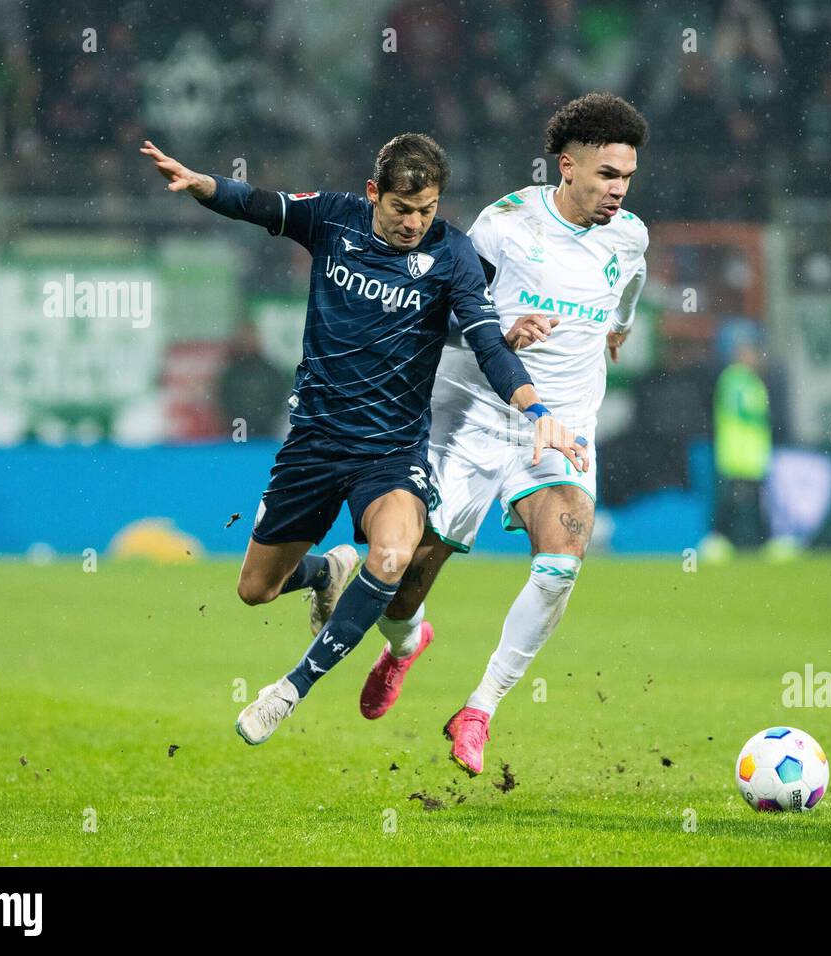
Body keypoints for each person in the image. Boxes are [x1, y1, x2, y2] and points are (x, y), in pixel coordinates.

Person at [140, 134, 584, 746]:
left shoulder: (452, 255)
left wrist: (535, 408)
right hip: (314, 444)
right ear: (375, 194)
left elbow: (484, 340)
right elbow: (259, 203)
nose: (414, 223)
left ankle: (288, 690)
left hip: (392, 452)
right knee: (256, 589)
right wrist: (201, 185)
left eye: (426, 210)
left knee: (395, 555)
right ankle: (325, 573)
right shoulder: (334, 219)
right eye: (402, 209)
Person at [352, 93, 650, 775]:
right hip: (479, 418)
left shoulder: (629, 235)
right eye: (606, 174)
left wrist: (619, 332)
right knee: (398, 586)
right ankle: (404, 645)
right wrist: (502, 334)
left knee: (563, 556)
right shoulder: (505, 225)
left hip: (563, 428)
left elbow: (628, 291)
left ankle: (478, 709)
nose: (618, 190)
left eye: (627, 176)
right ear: (566, 166)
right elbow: (442, 312)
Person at [701, 329, 771, 560]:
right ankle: (718, 540)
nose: (755, 357)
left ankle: (760, 543)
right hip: (736, 454)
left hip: (753, 455)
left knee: (753, 503)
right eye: (750, 352)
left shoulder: (753, 380)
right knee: (730, 500)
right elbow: (746, 411)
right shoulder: (735, 379)